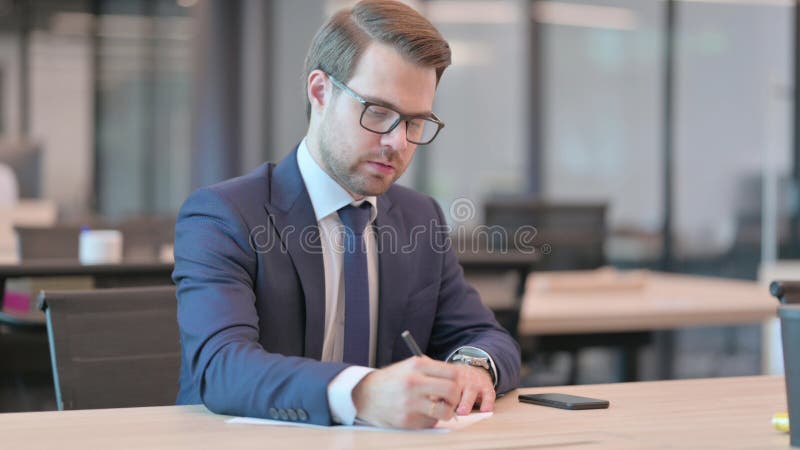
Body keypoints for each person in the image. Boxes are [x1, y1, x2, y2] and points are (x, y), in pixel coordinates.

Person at [173, 0, 521, 429]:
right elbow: (223, 367)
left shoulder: (420, 218)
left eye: (415, 122)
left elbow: (484, 337)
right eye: (378, 112)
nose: (398, 142)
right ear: (320, 91)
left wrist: (473, 367)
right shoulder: (225, 215)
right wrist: (362, 392)